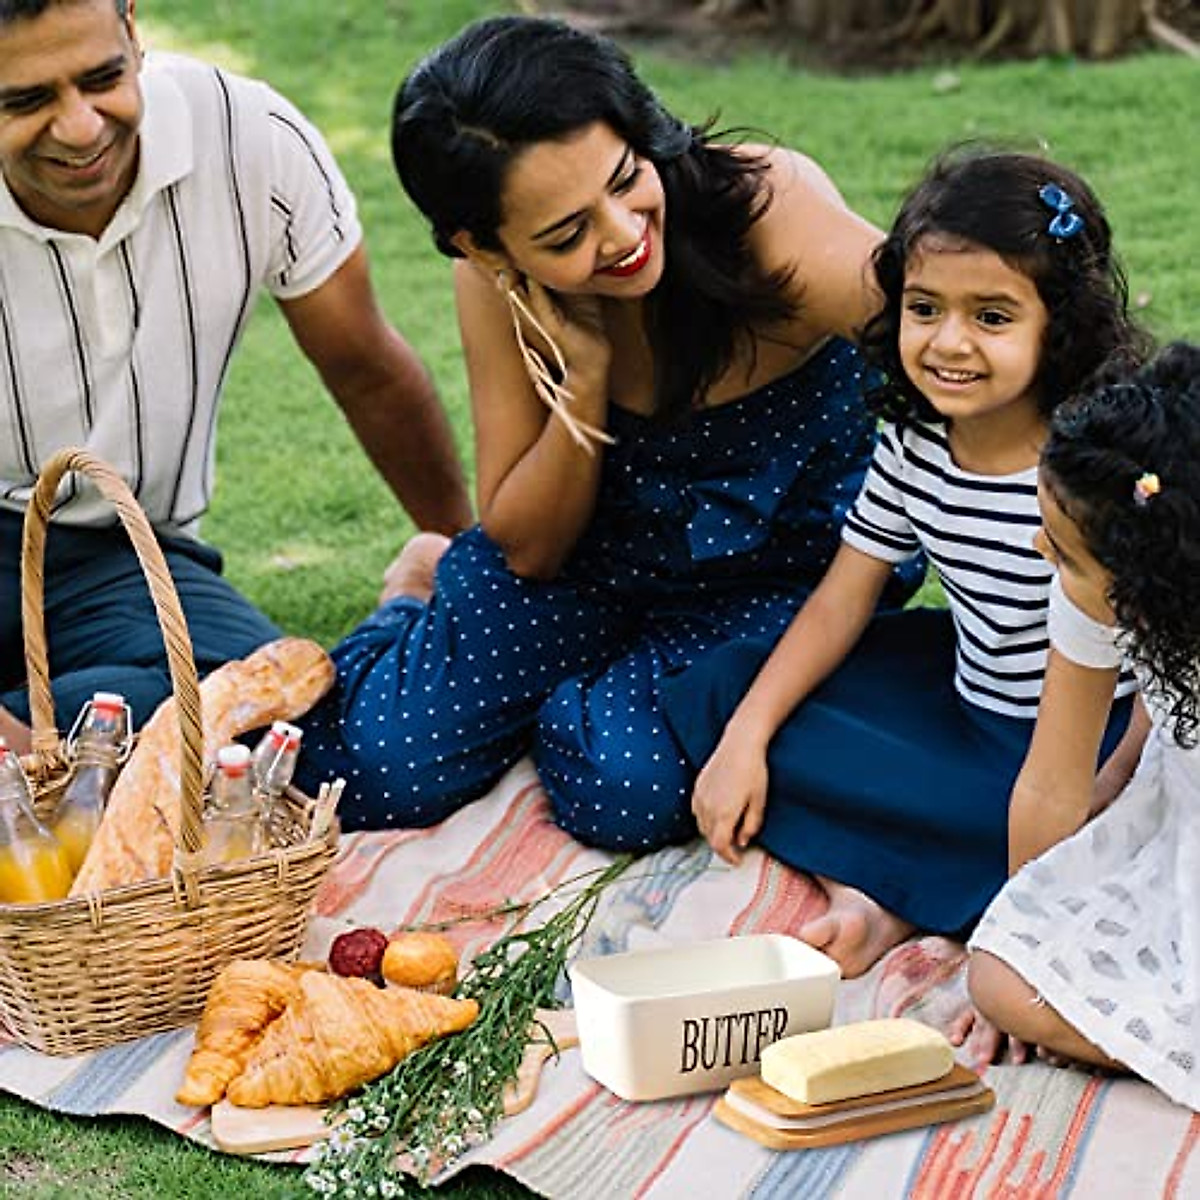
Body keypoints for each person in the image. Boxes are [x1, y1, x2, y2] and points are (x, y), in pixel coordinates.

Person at [293, 14, 923, 836]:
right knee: (370, 773)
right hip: (591, 565)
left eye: (626, 179)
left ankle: (583, 689)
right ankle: (419, 593)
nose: (623, 235)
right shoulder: (496, 285)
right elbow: (529, 547)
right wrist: (582, 384)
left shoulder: (768, 211)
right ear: (483, 246)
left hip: (780, 572)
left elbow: (958, 353)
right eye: (566, 234)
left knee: (620, 788)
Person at [663, 147, 1150, 977]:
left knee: (1070, 836)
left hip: (1083, 749)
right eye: (926, 308)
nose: (949, 342)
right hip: (962, 702)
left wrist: (1111, 790)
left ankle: (903, 893)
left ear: (1058, 325)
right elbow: (842, 599)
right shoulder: (915, 440)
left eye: (992, 317)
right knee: (728, 693)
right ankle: (883, 890)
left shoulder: (1097, 470)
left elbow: (1167, 668)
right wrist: (747, 737)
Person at [0, 0, 470, 752]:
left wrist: (461, 555)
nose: (81, 127)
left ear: (132, 28)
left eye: (101, 78)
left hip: (115, 556)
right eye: (26, 100)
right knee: (179, 738)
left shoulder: (251, 137)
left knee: (251, 712)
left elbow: (365, 369)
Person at [965, 343, 1200, 1110]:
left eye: (1063, 554)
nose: (1042, 552)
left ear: (1148, 588)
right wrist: (1026, 930)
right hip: (1179, 824)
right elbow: (1050, 780)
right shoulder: (1093, 590)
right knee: (999, 978)